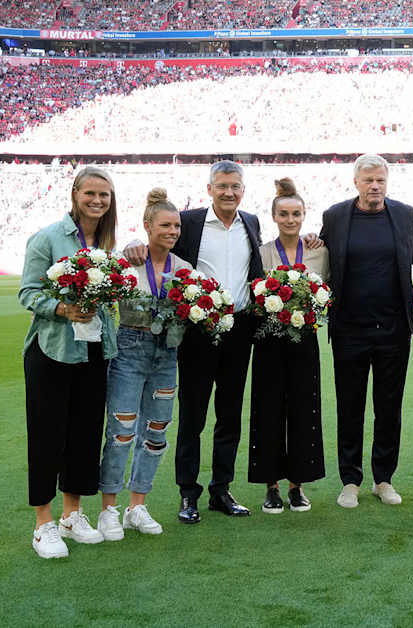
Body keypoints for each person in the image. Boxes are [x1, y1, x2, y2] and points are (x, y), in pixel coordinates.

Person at [126, 160, 264, 523]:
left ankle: (221, 489)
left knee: (230, 414)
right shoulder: (188, 221)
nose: (229, 192)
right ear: (210, 188)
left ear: (243, 189)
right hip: (197, 332)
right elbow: (161, 242)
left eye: (235, 186)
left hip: (240, 330)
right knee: (193, 415)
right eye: (222, 186)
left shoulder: (251, 222)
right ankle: (188, 493)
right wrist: (134, 244)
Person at [318, 153, 413, 508]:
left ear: (387, 182)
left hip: (393, 330)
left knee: (389, 407)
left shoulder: (403, 214)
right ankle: (350, 481)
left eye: (381, 180)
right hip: (349, 331)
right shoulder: (336, 216)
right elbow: (323, 259)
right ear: (355, 182)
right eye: (368, 180)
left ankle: (383, 479)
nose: (375, 186)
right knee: (350, 406)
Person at [18, 166, 119, 558]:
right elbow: (27, 292)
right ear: (75, 194)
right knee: (47, 437)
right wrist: (62, 307)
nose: (97, 201)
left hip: (95, 352)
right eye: (90, 193)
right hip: (51, 350)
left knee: (84, 435)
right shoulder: (48, 238)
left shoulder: (107, 242)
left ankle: (71, 515)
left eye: (104, 195)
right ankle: (43, 524)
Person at [95, 188, 192, 540]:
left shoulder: (184, 269)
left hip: (167, 354)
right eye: (165, 225)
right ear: (148, 226)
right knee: (121, 431)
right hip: (130, 349)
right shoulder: (129, 261)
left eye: (177, 226)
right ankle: (108, 510)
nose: (173, 231)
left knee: (156, 431)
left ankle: (138, 506)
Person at [249, 177, 329, 514]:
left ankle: (297, 485)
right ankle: (271, 487)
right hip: (269, 341)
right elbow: (254, 295)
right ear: (274, 216)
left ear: (304, 214)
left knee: (303, 410)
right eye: (284, 214)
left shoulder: (319, 250)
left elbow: (326, 293)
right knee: (268, 411)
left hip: (304, 341)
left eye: (296, 214)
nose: (291, 220)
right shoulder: (263, 251)